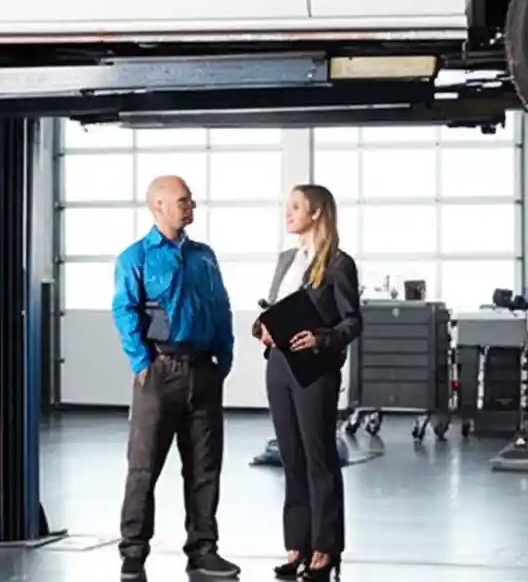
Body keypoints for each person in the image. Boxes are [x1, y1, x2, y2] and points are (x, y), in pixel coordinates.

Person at [112, 174, 242, 580]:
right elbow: (124, 311)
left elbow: (221, 307)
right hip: (159, 372)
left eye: (191, 201)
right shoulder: (136, 257)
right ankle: (133, 552)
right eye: (183, 201)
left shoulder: (205, 256)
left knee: (205, 467)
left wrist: (224, 359)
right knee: (144, 466)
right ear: (159, 206)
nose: (191, 207)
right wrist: (142, 364)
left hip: (203, 369)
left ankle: (203, 549)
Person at [254, 184, 361, 581]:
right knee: (291, 457)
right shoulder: (286, 260)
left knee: (319, 457)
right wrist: (261, 328)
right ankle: (296, 544)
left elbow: (353, 321)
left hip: (315, 369)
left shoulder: (338, 264)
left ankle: (325, 547)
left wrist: (322, 337)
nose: (289, 212)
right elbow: (272, 309)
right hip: (279, 365)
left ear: (317, 213)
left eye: (296, 206)